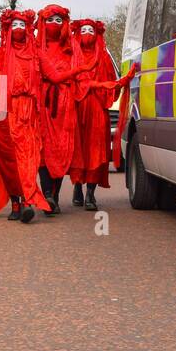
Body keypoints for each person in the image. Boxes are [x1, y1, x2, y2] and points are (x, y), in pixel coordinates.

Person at [0, 10, 51, 223]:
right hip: (3, 114)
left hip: (27, 113)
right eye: (14, 26)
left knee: (27, 158)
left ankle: (27, 200)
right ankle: (16, 202)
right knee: (8, 162)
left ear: (28, 29)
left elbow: (53, 75)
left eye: (21, 26)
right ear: (8, 30)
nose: (18, 30)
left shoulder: (36, 55)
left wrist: (82, 70)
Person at [34, 4, 97, 214]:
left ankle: (55, 196)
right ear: (43, 23)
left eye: (58, 20)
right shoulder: (36, 47)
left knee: (62, 149)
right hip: (43, 104)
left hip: (66, 105)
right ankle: (48, 196)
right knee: (44, 150)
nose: (54, 24)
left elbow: (82, 78)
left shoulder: (72, 46)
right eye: (50, 20)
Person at [67, 19, 132, 210]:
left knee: (96, 151)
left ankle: (90, 194)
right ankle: (78, 186)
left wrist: (121, 83)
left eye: (91, 30)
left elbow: (112, 83)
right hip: (77, 110)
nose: (87, 33)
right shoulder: (72, 56)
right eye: (84, 30)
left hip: (97, 111)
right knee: (78, 151)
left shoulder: (103, 58)